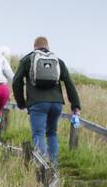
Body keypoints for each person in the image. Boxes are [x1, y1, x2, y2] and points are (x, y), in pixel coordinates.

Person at [11, 36, 81, 165]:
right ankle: (53, 166)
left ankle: (41, 166)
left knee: (38, 133)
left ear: (34, 47)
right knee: (52, 134)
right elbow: (69, 83)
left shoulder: (28, 60)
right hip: (56, 104)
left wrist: (21, 103)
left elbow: (16, 82)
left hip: (37, 103)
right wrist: (75, 105)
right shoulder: (58, 61)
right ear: (48, 47)